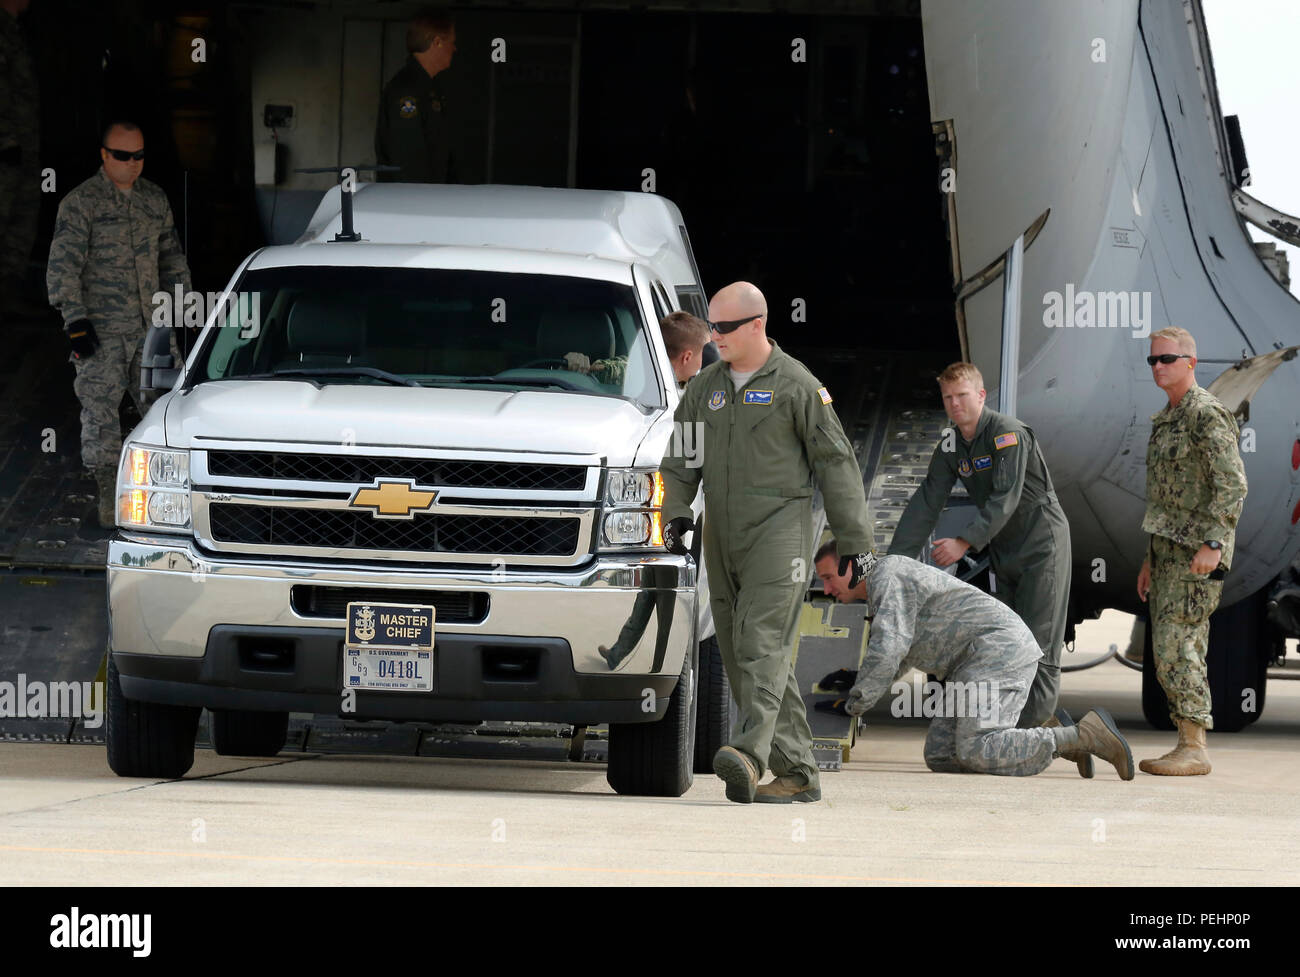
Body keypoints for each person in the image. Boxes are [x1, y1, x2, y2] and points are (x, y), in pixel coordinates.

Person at [659, 281, 873, 804]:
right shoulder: (705, 388)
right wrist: (676, 512)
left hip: (781, 533)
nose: (715, 336)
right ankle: (798, 769)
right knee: (738, 653)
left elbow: (836, 463)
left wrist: (855, 542)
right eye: (711, 326)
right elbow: (682, 462)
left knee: (762, 643)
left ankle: (749, 754)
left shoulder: (798, 386)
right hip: (722, 534)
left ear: (758, 324)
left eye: (725, 328)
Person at [814, 544, 1134, 779]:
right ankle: (1057, 737)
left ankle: (1083, 735)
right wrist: (858, 679)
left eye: (829, 578)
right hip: (974, 663)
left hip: (996, 650)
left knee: (976, 748)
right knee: (942, 755)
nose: (827, 589)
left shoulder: (887, 576)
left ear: (852, 567)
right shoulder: (885, 585)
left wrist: (854, 704)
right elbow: (900, 650)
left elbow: (890, 646)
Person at [888, 362, 1071, 729]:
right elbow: (928, 500)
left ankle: (1028, 733)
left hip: (1041, 546)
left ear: (981, 395)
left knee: (1039, 642)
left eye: (962, 396)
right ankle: (1048, 733)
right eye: (948, 398)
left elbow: (1006, 497)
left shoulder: (1007, 433)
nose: (955, 405)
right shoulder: (952, 444)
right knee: (1009, 642)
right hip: (1004, 551)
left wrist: (962, 542)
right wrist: (894, 564)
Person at [46, 121, 192, 527]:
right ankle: (109, 503)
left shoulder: (153, 199)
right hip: (101, 333)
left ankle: (167, 502)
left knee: (167, 412)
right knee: (101, 418)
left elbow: (171, 257)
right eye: (124, 156)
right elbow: (62, 269)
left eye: (140, 155)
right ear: (104, 155)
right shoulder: (81, 203)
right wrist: (75, 321)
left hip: (152, 330)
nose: (133, 164)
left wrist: (183, 308)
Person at [1136, 327, 1247, 776]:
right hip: (1168, 552)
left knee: (1177, 645)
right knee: (1169, 648)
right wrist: (1149, 558)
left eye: (1166, 359)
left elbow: (1233, 484)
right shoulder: (1167, 418)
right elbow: (1164, 498)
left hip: (1197, 553)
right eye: (1152, 361)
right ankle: (1188, 739)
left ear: (1190, 363)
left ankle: (1194, 745)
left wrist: (1214, 544)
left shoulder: (1206, 414)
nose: (1159, 367)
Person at [597, 312, 713, 671]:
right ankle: (646, 661)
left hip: (660, 512)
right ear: (687, 357)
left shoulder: (638, 385)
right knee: (658, 591)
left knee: (660, 593)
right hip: (668, 511)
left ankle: (653, 662)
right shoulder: (696, 398)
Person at [375, 7, 457, 184]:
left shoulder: (429, 88)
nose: (454, 49)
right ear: (437, 42)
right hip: (413, 202)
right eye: (451, 42)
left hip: (428, 199)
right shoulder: (407, 90)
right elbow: (409, 159)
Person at [0, 0, 41, 322]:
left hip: (23, 147)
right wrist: (7, 139)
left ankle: (8, 296)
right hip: (8, 151)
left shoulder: (16, 30)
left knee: (20, 221)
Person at [567, 309, 712, 391]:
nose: (705, 360)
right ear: (686, 357)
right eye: (703, 354)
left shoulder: (688, 386)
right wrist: (570, 367)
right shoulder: (624, 373)